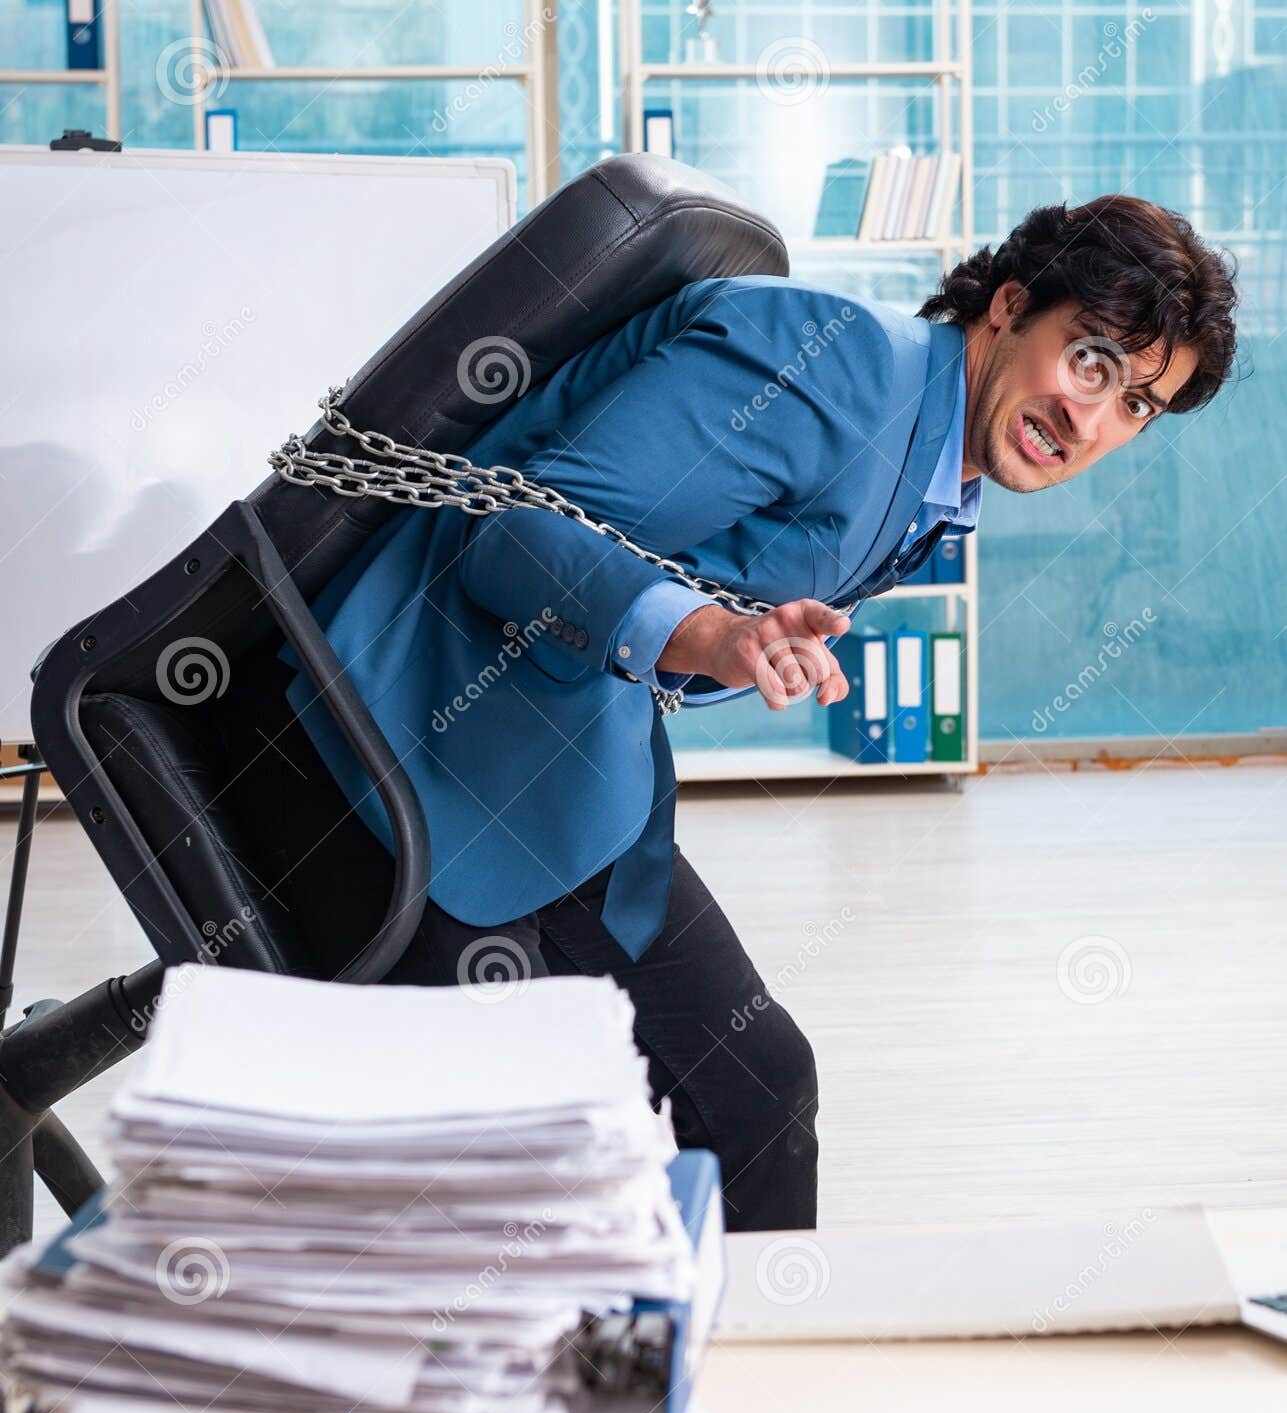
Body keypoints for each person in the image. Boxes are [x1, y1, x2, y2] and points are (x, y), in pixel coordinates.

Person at [280, 193, 1238, 1232]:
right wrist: (708, 635)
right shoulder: (837, 368)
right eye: (1090, 361)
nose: (1094, 418)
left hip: (558, 764)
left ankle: (715, 1365)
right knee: (560, 1152)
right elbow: (511, 537)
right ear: (1010, 306)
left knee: (751, 1085)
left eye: (1139, 403)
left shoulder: (928, 465)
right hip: (408, 744)